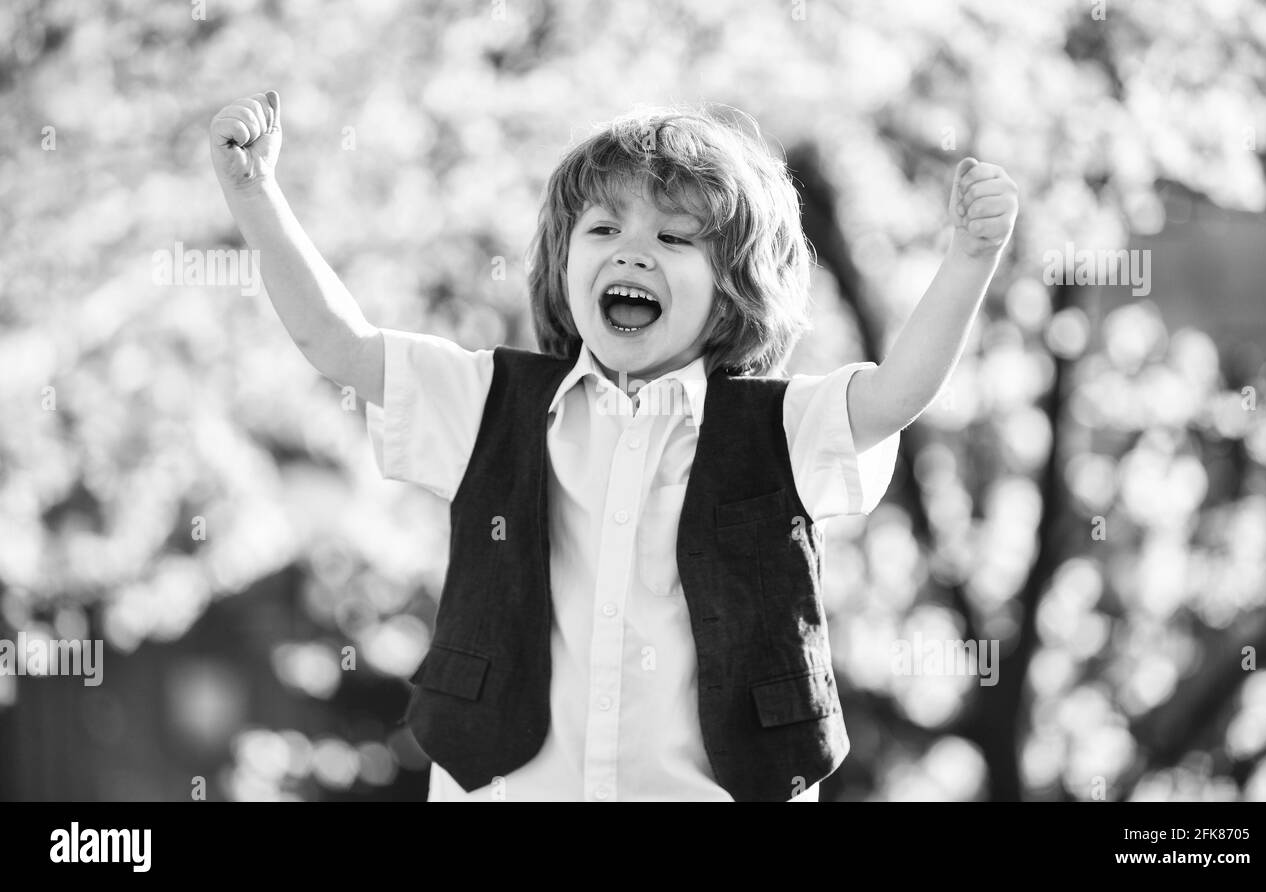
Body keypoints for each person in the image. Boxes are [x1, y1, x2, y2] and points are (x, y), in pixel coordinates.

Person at [209, 91, 1018, 801]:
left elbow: (895, 394)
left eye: (675, 240)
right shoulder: (490, 401)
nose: (632, 251)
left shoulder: (778, 427)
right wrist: (257, 196)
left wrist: (968, 261)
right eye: (604, 228)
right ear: (565, 265)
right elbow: (339, 346)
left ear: (736, 291)